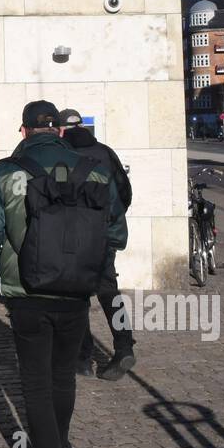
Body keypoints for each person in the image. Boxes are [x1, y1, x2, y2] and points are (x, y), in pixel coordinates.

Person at [0, 101, 128, 448]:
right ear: (59, 131)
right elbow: (116, 233)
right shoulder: (94, 169)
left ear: (24, 131)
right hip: (76, 292)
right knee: (62, 376)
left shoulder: (5, 172)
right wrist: (90, 267)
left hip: (26, 293)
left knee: (36, 383)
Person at [59, 108, 136, 380]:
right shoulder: (105, 152)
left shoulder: (63, 155)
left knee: (77, 296)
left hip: (73, 237)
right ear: (83, 126)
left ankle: (83, 358)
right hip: (103, 235)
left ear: (61, 129)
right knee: (109, 291)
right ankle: (124, 346)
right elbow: (124, 192)